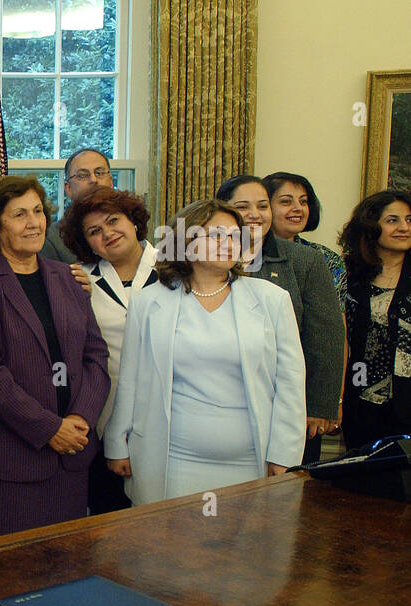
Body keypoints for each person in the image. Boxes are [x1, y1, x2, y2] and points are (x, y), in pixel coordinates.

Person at [104, 199, 306, 505]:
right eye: (215, 235)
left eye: (234, 236)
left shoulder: (272, 300)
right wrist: (116, 442)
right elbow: (130, 377)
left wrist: (285, 453)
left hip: (253, 459)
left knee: (247, 550)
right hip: (172, 460)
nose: (228, 244)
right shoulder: (148, 301)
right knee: (170, 549)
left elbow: (290, 382)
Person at [0, 175, 109, 540]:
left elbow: (96, 356)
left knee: (63, 573)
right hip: (6, 464)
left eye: (38, 211)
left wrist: (80, 418)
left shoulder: (69, 278)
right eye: (20, 214)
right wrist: (49, 428)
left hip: (71, 456)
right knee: (3, 578)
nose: (34, 222)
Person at [217, 175, 345, 464]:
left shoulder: (304, 260)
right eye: (243, 206)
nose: (254, 214)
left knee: (285, 493)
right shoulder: (206, 256)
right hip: (223, 400)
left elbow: (326, 337)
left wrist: (320, 404)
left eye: (262, 206)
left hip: (288, 403)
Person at [59, 186, 159, 513]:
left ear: (133, 220)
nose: (108, 234)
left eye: (114, 221)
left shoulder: (177, 268)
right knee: (111, 521)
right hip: (108, 417)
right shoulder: (79, 280)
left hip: (172, 413)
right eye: (94, 231)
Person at [337, 189, 411, 448]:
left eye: (410, 220)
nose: (404, 227)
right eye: (393, 220)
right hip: (360, 397)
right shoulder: (346, 273)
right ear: (370, 227)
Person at [264, 171, 346, 288]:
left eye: (303, 202)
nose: (298, 208)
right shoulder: (247, 255)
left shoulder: (327, 259)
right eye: (286, 202)